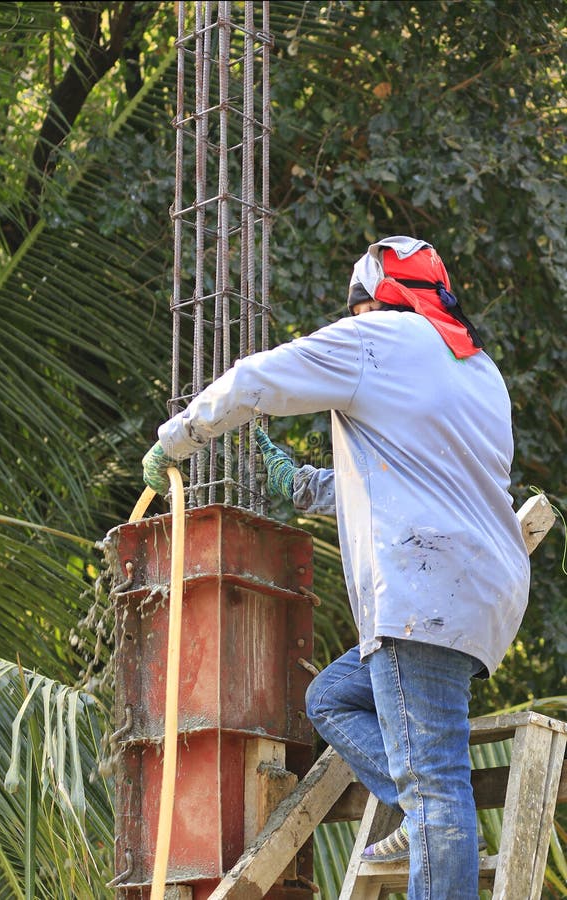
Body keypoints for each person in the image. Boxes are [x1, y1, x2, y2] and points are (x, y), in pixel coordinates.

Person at [142, 236, 530, 900]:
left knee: (438, 788)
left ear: (372, 300)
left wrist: (176, 437)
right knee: (332, 698)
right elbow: (417, 475)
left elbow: (255, 379)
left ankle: (425, 814)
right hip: (480, 595)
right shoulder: (478, 369)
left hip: (421, 594)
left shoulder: (376, 339)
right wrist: (306, 485)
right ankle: (416, 810)